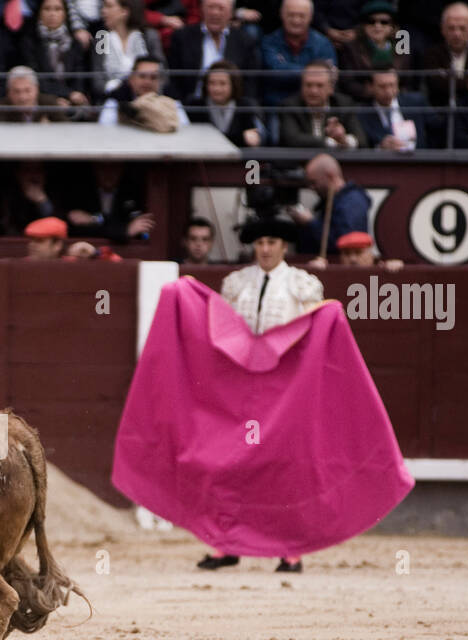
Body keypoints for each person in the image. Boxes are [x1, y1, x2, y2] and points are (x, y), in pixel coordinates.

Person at [205, 216, 324, 573]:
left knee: (285, 468)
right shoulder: (236, 284)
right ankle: (226, 544)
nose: (266, 249)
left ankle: (291, 550)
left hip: (286, 390)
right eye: (260, 243)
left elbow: (313, 336)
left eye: (272, 242)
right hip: (242, 388)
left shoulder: (303, 285)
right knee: (232, 464)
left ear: (284, 246)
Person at [165, 0, 259, 101]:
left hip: (232, 106)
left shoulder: (244, 40)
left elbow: (250, 83)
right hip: (191, 104)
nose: (215, 12)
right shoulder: (182, 37)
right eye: (210, 7)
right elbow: (173, 78)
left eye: (221, 8)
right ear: (201, 9)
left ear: (231, 13)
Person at [259, 0, 337, 110]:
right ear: (281, 15)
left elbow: (330, 76)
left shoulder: (323, 44)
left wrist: (287, 68)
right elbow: (275, 72)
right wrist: (313, 71)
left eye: (301, 16)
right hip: (277, 105)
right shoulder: (269, 42)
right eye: (291, 15)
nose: (296, 20)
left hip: (313, 106)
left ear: (310, 17)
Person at [418, 2, 468, 106]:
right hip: (441, 109)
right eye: (451, 28)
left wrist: (449, 79)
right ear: (442, 29)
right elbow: (435, 84)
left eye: (462, 28)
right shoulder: (432, 53)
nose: (457, 34)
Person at [289, 151, 370, 254]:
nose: (312, 188)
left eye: (314, 182)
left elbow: (344, 242)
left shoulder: (351, 202)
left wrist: (310, 222)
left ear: (330, 176)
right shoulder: (330, 200)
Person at [13, 0, 90, 109]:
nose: (52, 14)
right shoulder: (28, 43)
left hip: (72, 101)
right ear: (39, 13)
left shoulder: (74, 43)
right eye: (47, 9)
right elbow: (35, 79)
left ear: (65, 13)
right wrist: (60, 97)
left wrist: (74, 96)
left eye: (57, 9)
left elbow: (79, 77)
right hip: (41, 100)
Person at [277, 58, 365, 148]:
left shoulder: (343, 104)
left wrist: (344, 139)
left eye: (319, 85)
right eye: (308, 85)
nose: (313, 91)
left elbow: (362, 140)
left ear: (331, 88)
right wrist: (331, 142)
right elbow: (292, 139)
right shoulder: (290, 106)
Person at [337, 0, 412, 103]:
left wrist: (394, 91)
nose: (377, 26)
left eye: (384, 22)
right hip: (362, 102)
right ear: (364, 25)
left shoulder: (402, 46)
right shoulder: (351, 48)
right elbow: (347, 82)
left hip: (396, 100)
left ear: (392, 26)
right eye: (371, 21)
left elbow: (408, 79)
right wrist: (372, 91)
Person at [89, 0, 164, 101]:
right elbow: (97, 79)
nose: (103, 11)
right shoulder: (101, 39)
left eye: (109, 6)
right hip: (112, 99)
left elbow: (161, 71)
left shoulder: (148, 36)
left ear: (124, 11)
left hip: (148, 99)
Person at [65, 160, 154, 242]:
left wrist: (93, 220)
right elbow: (76, 230)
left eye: (113, 168)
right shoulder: (80, 194)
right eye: (103, 168)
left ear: (121, 170)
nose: (108, 174)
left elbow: (140, 231)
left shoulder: (132, 193)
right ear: (95, 170)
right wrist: (124, 230)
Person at [183, 58, 264, 146]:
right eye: (212, 83)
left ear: (234, 84)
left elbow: (255, 137)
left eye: (222, 83)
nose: (216, 89)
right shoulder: (195, 106)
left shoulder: (246, 107)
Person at [97, 55, 189, 129]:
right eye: (142, 76)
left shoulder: (172, 101)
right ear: (131, 79)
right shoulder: (115, 101)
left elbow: (184, 127)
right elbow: (106, 129)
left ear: (160, 81)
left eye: (153, 77)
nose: (147, 82)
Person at [360, 66, 429, 149]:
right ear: (370, 87)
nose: (388, 92)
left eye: (392, 85)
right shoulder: (363, 113)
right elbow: (364, 144)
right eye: (382, 86)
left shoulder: (415, 103)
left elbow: (435, 129)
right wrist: (380, 147)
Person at [0, 64, 68, 121]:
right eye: (16, 91)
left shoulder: (49, 103)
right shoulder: (1, 108)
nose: (22, 97)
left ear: (36, 89)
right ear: (9, 92)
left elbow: (66, 128)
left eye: (27, 90)